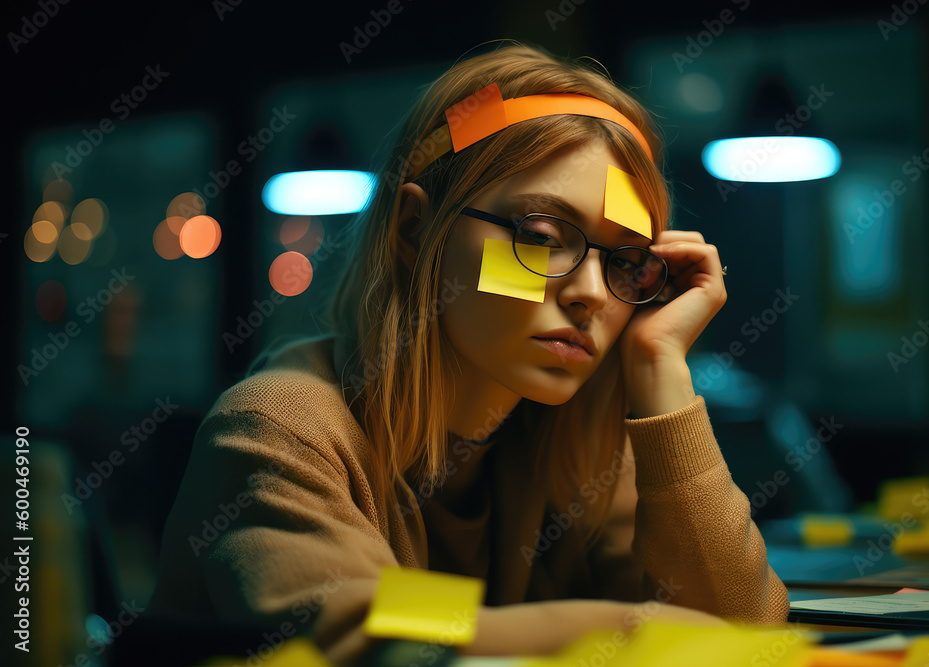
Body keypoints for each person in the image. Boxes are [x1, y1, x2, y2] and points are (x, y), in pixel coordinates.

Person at [147, 42, 789, 664]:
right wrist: (625, 627)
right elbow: (364, 630)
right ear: (414, 230)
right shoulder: (282, 426)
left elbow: (744, 633)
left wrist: (660, 368)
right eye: (539, 237)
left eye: (626, 261)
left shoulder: (575, 437)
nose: (592, 293)